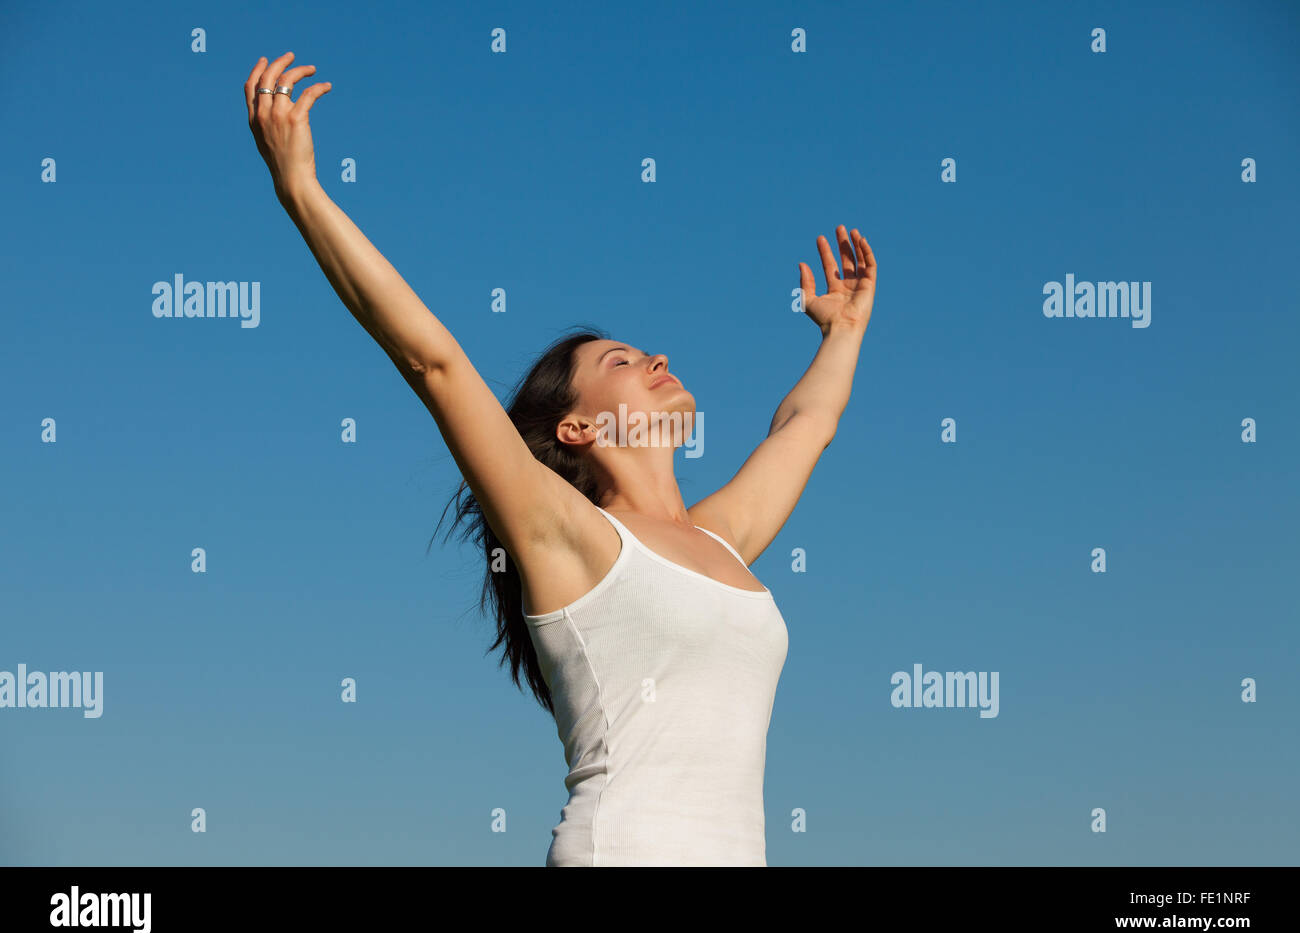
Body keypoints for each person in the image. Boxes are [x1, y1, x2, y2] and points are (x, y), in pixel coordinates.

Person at [243, 52, 878, 865]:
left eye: (646, 351)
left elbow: (806, 426)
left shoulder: (720, 542)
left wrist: (846, 331)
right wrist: (302, 192)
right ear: (574, 430)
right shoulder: (568, 538)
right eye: (618, 362)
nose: (653, 360)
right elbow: (432, 362)